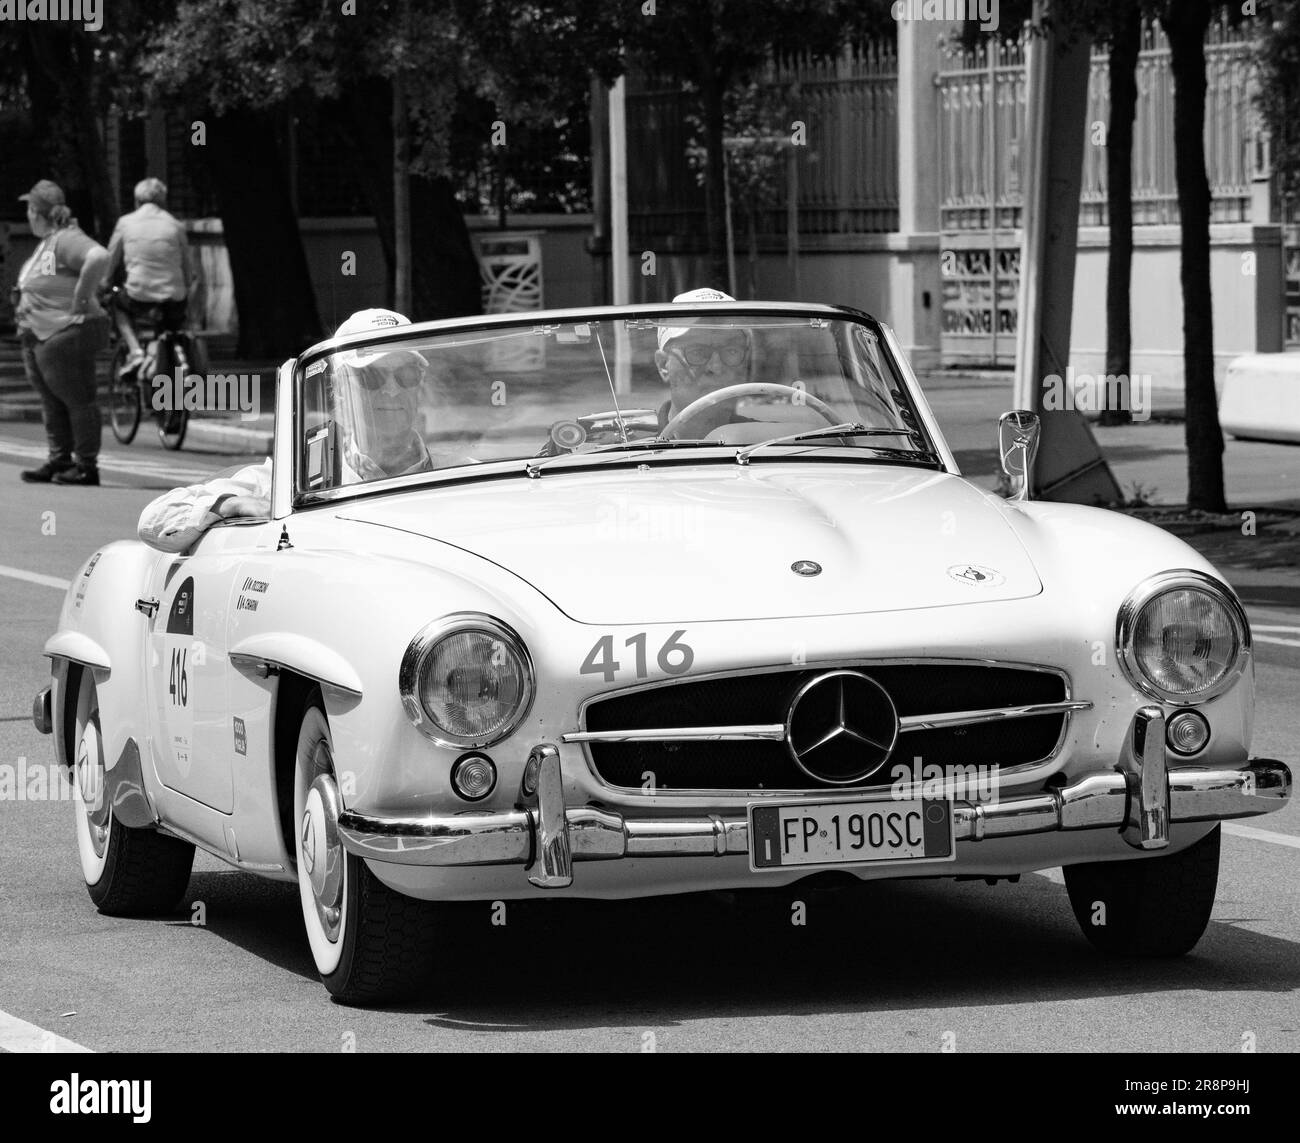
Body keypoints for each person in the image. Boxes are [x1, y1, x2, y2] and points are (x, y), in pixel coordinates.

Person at [138, 309, 434, 552]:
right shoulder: (300, 477)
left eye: (406, 374)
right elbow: (156, 520)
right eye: (372, 377)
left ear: (419, 386)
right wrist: (233, 504)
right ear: (340, 392)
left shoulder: (457, 473)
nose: (393, 390)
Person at [15, 180, 112, 486]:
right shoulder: (50, 240)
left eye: (30, 209)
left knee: (78, 399)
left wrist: (82, 298)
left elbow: (99, 257)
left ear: (37, 212)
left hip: (63, 332)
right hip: (41, 334)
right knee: (53, 400)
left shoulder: (67, 238)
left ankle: (86, 466)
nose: (28, 216)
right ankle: (60, 460)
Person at [104, 177, 193, 372]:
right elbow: (188, 266)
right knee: (174, 323)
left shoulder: (125, 223)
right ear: (163, 201)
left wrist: (104, 282)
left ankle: (136, 351)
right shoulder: (175, 225)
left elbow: (111, 258)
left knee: (119, 307)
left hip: (139, 294)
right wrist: (186, 286)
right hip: (174, 296)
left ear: (136, 201)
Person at [653, 287, 755, 435]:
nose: (716, 367)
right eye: (697, 352)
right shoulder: (629, 451)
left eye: (731, 350)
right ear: (663, 365)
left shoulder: (776, 443)